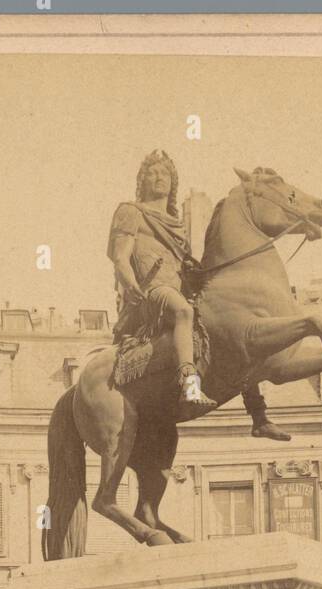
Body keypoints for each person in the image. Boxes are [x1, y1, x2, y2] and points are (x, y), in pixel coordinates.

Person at [108, 151, 291, 439]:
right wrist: (132, 286)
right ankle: (189, 386)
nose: (159, 178)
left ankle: (259, 415)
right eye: (153, 173)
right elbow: (120, 257)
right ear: (142, 180)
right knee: (183, 312)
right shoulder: (131, 211)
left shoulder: (175, 223)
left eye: (165, 174)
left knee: (234, 334)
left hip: (180, 290)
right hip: (151, 293)